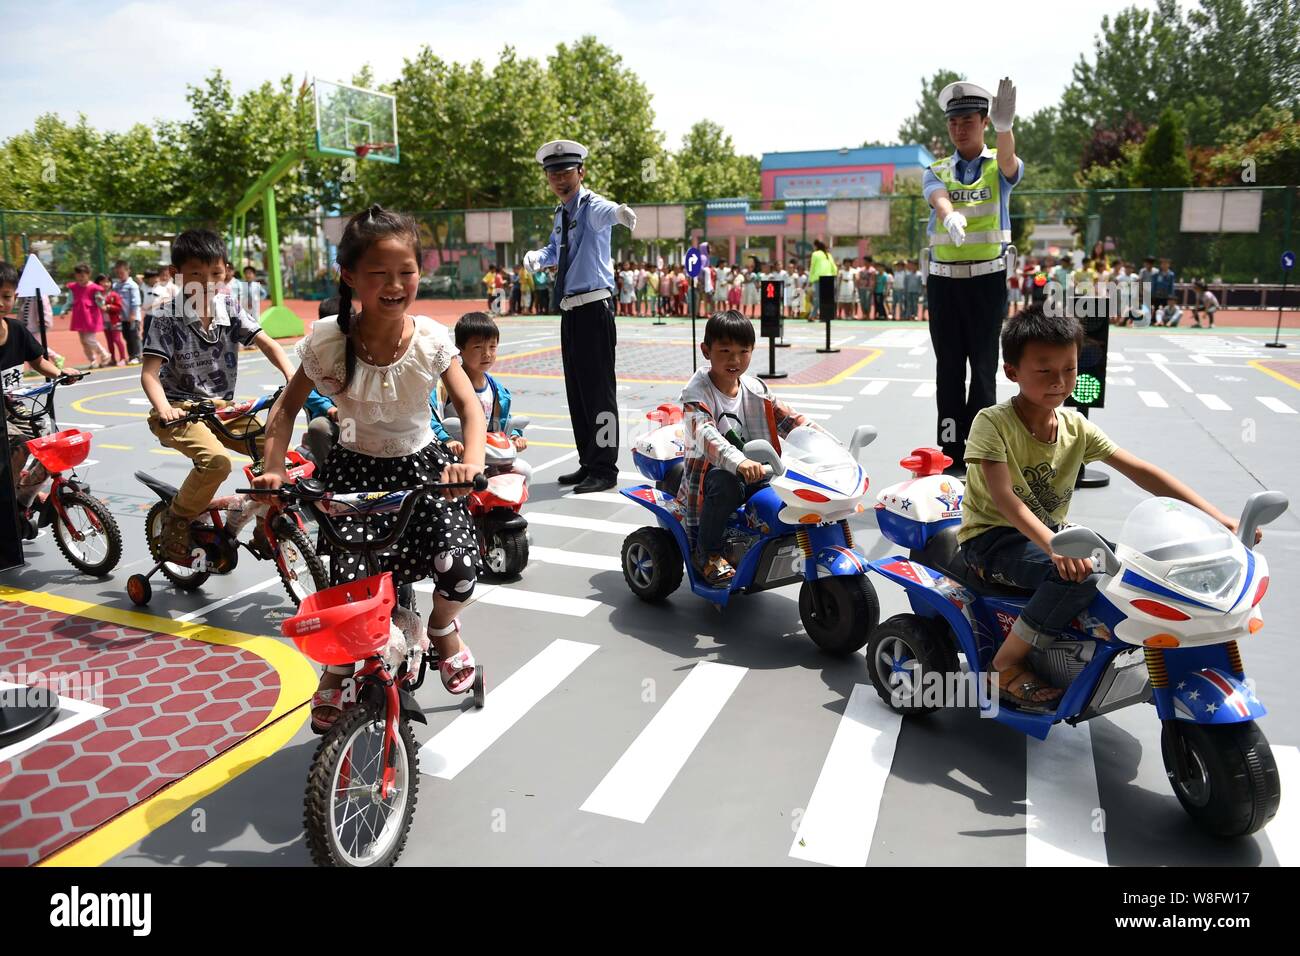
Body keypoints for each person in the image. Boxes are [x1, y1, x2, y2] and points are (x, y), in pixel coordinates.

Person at [253, 205, 487, 730]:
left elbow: (469, 406)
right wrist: (272, 469)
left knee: (460, 566)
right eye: (378, 274)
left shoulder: (428, 339)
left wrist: (469, 463)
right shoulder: (328, 340)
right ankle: (336, 672)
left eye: (406, 271)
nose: (394, 284)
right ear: (350, 277)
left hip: (423, 471)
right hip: (354, 474)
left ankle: (444, 632)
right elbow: (286, 408)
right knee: (352, 588)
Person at [959, 305, 1260, 709]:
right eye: (1045, 371)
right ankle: (1005, 664)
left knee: (1132, 570)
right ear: (1012, 372)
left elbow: (1142, 471)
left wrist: (1217, 518)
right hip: (992, 541)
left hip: (1051, 533)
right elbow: (1005, 500)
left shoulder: (1075, 426)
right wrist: (1053, 545)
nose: (1060, 382)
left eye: (1069, 369)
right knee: (1082, 577)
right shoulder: (992, 422)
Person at [140, 229, 295, 563]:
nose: (207, 281)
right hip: (180, 410)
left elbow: (267, 342)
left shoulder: (229, 307)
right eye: (196, 274)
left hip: (221, 409)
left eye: (215, 273)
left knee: (275, 448)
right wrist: (165, 408)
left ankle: (260, 522)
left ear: (227, 272)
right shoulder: (166, 318)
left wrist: (292, 377)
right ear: (176, 275)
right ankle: (177, 521)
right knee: (216, 463)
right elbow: (149, 374)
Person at [677, 309, 825, 586]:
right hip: (712, 476)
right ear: (706, 350)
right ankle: (706, 553)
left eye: (743, 351)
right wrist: (738, 462)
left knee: (791, 490)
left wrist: (828, 445)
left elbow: (792, 420)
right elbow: (706, 434)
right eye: (725, 351)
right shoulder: (696, 394)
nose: (735, 360)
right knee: (727, 484)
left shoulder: (756, 389)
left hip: (759, 471)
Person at [521, 139, 636, 494]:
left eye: (566, 172)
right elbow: (558, 249)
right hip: (570, 310)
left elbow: (607, 212)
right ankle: (589, 460)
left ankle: (605, 467)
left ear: (581, 172)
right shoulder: (561, 213)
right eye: (553, 173)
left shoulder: (590, 206)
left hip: (593, 308)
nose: (559, 179)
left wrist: (619, 213)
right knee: (578, 391)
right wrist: (539, 256)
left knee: (600, 391)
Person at [923, 77, 1023, 475]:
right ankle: (949, 449)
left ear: (983, 122)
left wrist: (1005, 129)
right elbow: (937, 194)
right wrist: (948, 216)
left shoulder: (997, 164)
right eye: (953, 121)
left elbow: (1010, 166)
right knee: (948, 369)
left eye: (967, 119)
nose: (959, 128)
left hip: (986, 281)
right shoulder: (937, 169)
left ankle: (980, 451)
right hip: (944, 283)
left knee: (983, 369)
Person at [0, 261, 86, 527]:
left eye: (6, 296)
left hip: (15, 406)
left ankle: (21, 501)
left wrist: (60, 373)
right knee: (21, 444)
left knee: (52, 446)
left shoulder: (16, 330)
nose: (1, 303)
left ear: (15, 297)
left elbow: (39, 361)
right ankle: (8, 502)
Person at [449, 311, 531, 482]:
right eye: (478, 347)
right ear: (459, 349)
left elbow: (505, 421)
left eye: (492, 347)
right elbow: (432, 417)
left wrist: (515, 436)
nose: (487, 353)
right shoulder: (448, 385)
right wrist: (447, 439)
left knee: (523, 471)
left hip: (491, 455)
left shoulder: (498, 390)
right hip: (457, 458)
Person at [66, 264, 112, 369]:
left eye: (83, 275)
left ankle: (105, 355)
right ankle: (92, 360)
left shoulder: (94, 288)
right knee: (83, 341)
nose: (80, 278)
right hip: (79, 316)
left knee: (89, 339)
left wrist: (102, 305)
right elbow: (70, 300)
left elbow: (100, 300)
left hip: (91, 317)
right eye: (78, 275)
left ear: (88, 275)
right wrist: (65, 309)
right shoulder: (73, 287)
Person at [111, 260, 143, 365]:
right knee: (127, 337)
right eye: (118, 273)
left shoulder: (132, 285)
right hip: (122, 317)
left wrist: (133, 314)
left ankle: (138, 356)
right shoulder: (116, 285)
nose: (120, 275)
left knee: (134, 335)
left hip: (132, 316)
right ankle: (131, 356)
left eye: (122, 273)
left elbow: (135, 301)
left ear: (128, 271)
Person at [97, 273, 127, 366]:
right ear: (98, 283)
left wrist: (109, 307)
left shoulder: (114, 295)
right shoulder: (97, 295)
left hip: (115, 321)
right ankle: (112, 359)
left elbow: (119, 307)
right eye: (102, 281)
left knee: (117, 339)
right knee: (109, 341)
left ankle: (123, 358)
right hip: (104, 322)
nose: (105, 284)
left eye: (108, 282)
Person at [808, 239, 835, 319]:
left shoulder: (815, 254)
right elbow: (833, 266)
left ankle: (813, 315)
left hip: (818, 278)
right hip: (829, 278)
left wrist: (810, 279)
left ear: (816, 246)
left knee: (817, 298)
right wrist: (834, 275)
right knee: (826, 298)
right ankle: (826, 316)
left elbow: (812, 267)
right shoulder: (828, 255)